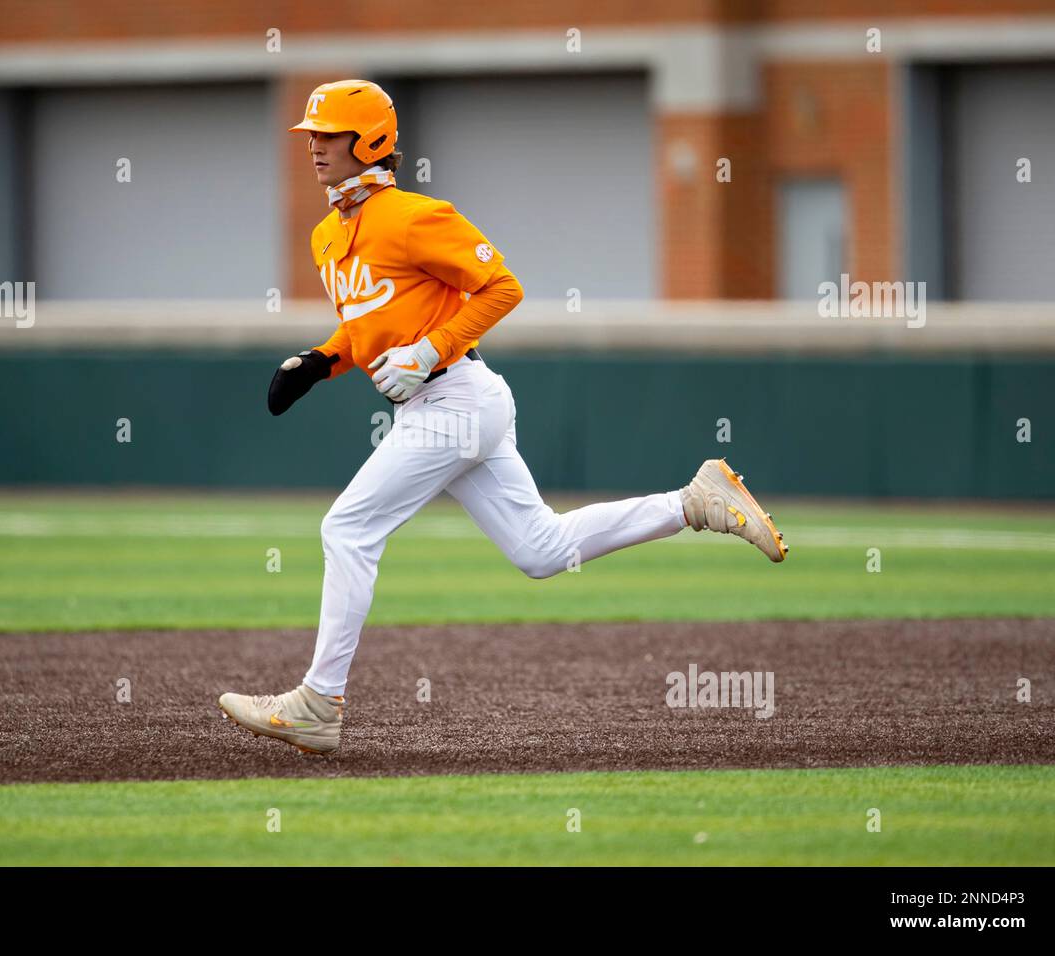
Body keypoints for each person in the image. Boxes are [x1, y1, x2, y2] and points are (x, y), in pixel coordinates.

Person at [218, 79, 788, 755]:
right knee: (541, 552)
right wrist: (320, 360)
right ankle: (693, 503)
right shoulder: (327, 234)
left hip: (455, 399)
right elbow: (370, 326)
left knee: (347, 528)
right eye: (310, 134)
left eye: (328, 134)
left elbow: (502, 287)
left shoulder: (412, 216)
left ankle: (319, 701)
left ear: (368, 141)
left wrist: (431, 350)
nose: (313, 146)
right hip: (449, 404)